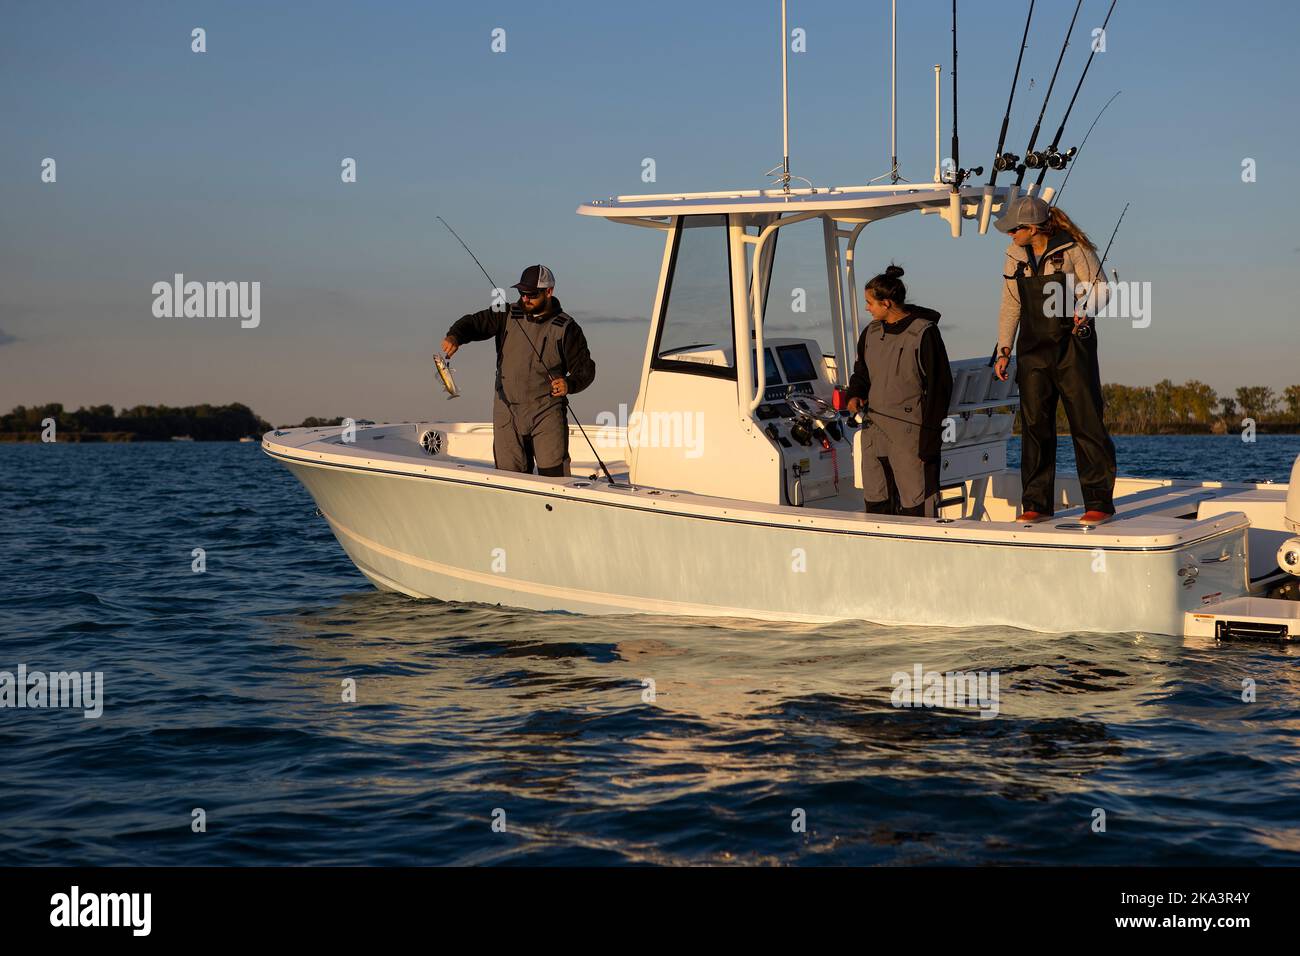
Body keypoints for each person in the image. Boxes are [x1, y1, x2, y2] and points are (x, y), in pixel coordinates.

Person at [993, 196, 1116, 525]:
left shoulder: (1074, 247)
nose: (1009, 235)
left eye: (1014, 229)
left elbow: (1102, 288)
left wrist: (1085, 310)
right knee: (1034, 427)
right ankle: (1035, 504)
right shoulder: (1014, 255)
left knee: (1087, 423)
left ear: (1031, 228)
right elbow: (1011, 305)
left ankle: (1099, 503)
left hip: (1074, 348)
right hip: (1032, 350)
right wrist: (1004, 349)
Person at [442, 264, 595, 477]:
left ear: (548, 292)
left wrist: (570, 384)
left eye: (531, 294)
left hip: (547, 414)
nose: (525, 298)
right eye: (522, 293)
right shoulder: (505, 313)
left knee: (555, 481)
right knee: (509, 480)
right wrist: (455, 336)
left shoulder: (567, 328)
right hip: (507, 413)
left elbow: (586, 369)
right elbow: (473, 323)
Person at [845, 264, 953, 517]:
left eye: (870, 302)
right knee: (876, 499)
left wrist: (929, 442)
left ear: (887, 303)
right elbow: (862, 372)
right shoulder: (870, 332)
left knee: (915, 503)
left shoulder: (924, 333)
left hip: (911, 434)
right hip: (874, 431)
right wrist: (854, 394)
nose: (866, 307)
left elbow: (940, 388)